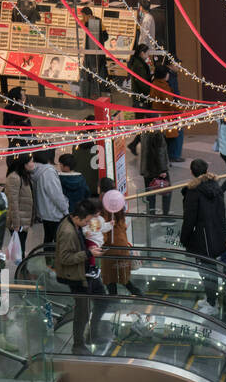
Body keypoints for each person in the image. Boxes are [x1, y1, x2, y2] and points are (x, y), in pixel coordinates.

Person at [53, 197, 104, 354]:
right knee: (82, 311)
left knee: (103, 300)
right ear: (77, 218)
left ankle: (92, 334)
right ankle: (78, 344)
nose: (88, 224)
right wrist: (88, 253)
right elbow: (65, 258)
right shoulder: (68, 232)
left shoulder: (74, 224)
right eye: (87, 221)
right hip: (75, 277)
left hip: (85, 272)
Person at [180, 159, 226, 313]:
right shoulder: (215, 186)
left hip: (203, 238)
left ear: (192, 172)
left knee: (206, 270)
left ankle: (212, 303)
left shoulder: (193, 192)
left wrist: (184, 238)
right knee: (211, 268)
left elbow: (189, 219)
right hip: (218, 233)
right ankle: (211, 299)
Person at [100, 198, 142, 298]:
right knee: (122, 275)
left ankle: (113, 298)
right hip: (122, 248)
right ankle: (136, 292)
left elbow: (104, 233)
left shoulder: (105, 212)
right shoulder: (120, 211)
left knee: (110, 276)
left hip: (110, 250)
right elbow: (123, 228)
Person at [28, 150, 68, 247]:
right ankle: (54, 262)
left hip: (44, 212)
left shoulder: (35, 171)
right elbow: (56, 195)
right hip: (54, 213)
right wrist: (65, 210)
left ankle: (48, 261)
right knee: (58, 243)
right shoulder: (48, 172)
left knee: (48, 240)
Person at [126, 43, 153, 155]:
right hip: (141, 99)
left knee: (144, 124)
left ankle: (134, 144)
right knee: (144, 124)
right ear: (142, 53)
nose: (148, 55)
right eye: (147, 53)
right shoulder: (139, 65)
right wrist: (151, 90)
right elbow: (142, 83)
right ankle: (134, 144)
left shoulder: (138, 63)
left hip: (140, 98)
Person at [140, 125, 172, 218]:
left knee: (150, 194)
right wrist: (163, 169)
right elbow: (160, 152)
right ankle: (165, 216)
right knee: (167, 192)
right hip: (157, 169)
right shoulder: (157, 133)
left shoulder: (144, 131)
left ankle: (151, 216)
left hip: (147, 169)